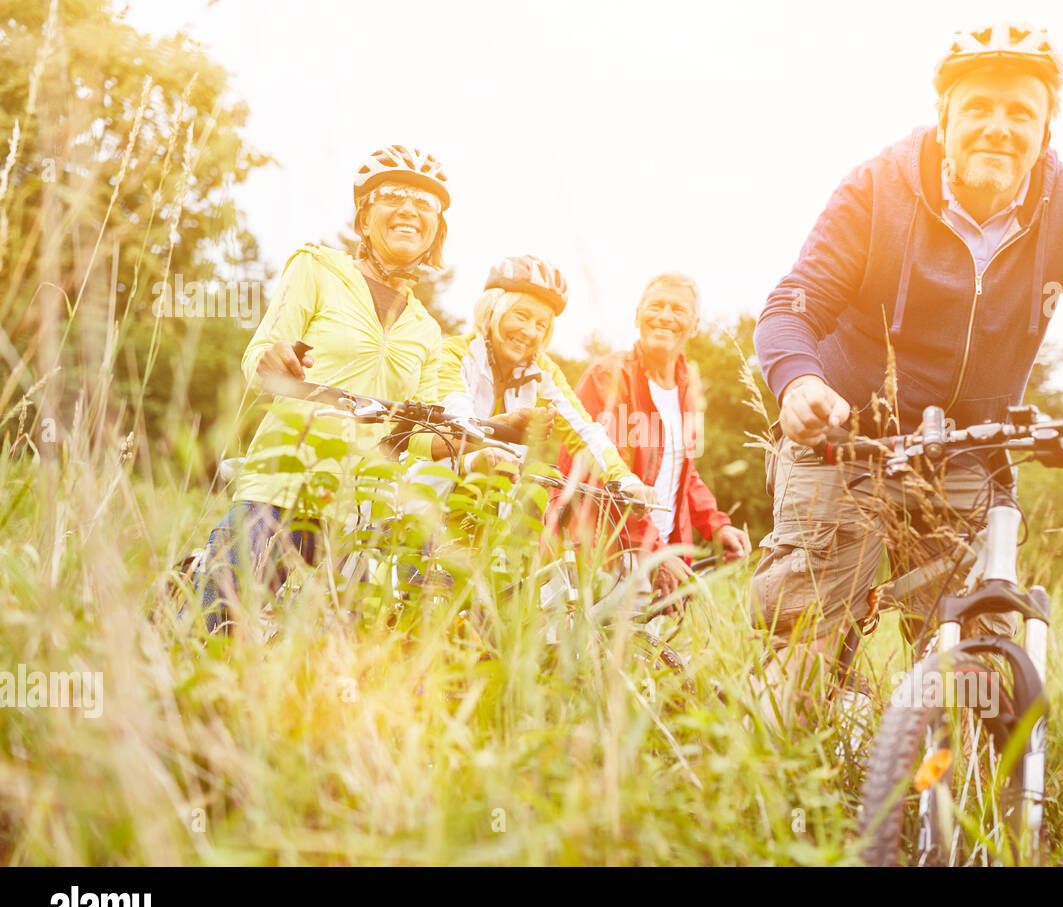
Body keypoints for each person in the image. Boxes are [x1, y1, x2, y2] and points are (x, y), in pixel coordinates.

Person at [750, 23, 1063, 723]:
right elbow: (794, 304)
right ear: (946, 118)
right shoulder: (880, 187)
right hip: (847, 441)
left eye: (1021, 112)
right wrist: (800, 382)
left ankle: (955, 811)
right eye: (979, 108)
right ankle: (774, 798)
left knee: (970, 659)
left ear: (1045, 127)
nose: (999, 127)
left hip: (967, 451)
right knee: (804, 648)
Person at [195, 144, 453, 633]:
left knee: (348, 649)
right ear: (364, 216)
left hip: (365, 508)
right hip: (285, 481)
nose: (408, 209)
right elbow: (260, 359)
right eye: (393, 195)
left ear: (436, 228)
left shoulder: (427, 328)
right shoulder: (316, 268)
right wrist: (276, 363)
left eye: (425, 204)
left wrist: (460, 441)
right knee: (216, 625)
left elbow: (417, 431)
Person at [559, 272, 752, 599]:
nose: (665, 316)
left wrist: (717, 526)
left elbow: (683, 472)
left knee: (649, 651)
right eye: (656, 306)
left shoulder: (688, 385)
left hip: (658, 559)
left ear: (694, 326)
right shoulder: (608, 377)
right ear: (638, 315)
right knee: (589, 650)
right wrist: (654, 552)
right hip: (602, 555)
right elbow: (603, 479)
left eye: (678, 309)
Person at [436, 255, 655, 503]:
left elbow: (584, 431)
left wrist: (624, 478)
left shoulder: (544, 372)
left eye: (541, 324)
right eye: (520, 315)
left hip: (489, 516)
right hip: (427, 506)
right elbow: (458, 422)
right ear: (493, 310)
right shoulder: (453, 355)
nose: (529, 332)